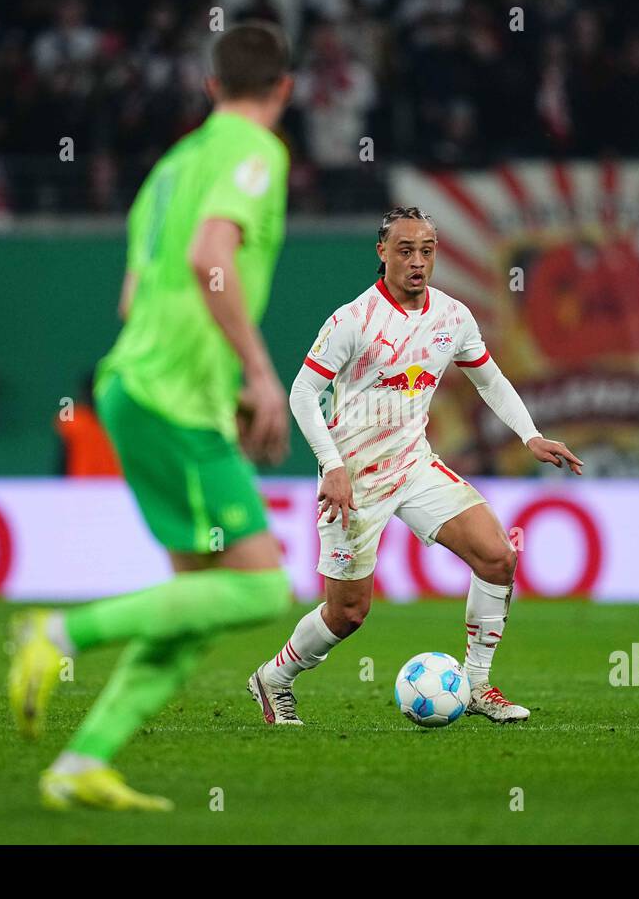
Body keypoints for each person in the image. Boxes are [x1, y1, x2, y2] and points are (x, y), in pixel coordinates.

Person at [7, 21, 296, 812]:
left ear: (209, 87)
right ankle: (57, 633)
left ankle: (82, 762)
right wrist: (261, 375)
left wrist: (220, 378)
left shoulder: (169, 168)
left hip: (135, 383)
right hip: (174, 394)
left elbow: (136, 298)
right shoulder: (258, 153)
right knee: (265, 589)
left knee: (194, 611)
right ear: (285, 89)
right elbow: (211, 256)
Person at [247, 206, 583, 726]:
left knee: (497, 557)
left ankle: (475, 685)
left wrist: (530, 434)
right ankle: (274, 677)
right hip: (353, 478)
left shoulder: (453, 317)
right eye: (405, 250)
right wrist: (330, 465)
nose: (417, 262)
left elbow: (489, 379)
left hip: (414, 464)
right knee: (348, 613)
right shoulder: (352, 320)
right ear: (382, 253)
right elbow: (302, 393)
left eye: (426, 251)